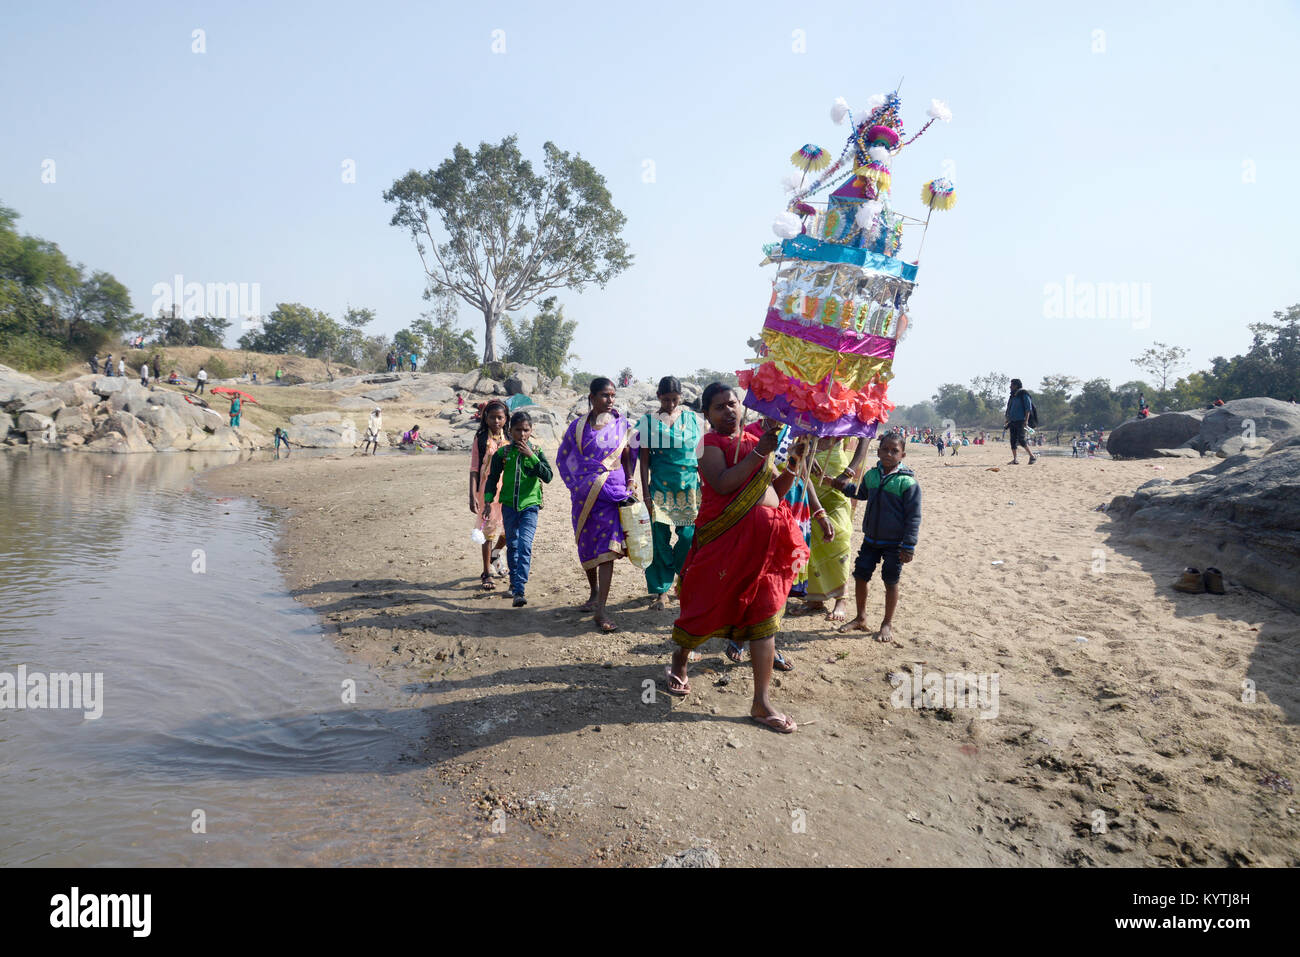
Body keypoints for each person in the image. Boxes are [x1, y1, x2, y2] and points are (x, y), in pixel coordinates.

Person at [664, 384, 810, 734]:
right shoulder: (708, 445)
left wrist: (793, 461)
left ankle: (761, 702)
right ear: (706, 414)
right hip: (723, 543)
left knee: (764, 615)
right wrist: (761, 451)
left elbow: (774, 490)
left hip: (764, 547)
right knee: (702, 606)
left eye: (733, 404)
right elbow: (725, 483)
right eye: (719, 407)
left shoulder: (755, 440)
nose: (728, 411)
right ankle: (680, 662)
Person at [556, 377, 636, 632]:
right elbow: (564, 457)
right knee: (586, 543)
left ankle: (601, 608)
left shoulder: (622, 426)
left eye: (612, 395)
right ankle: (593, 592)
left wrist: (631, 480)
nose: (610, 400)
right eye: (604, 395)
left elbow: (628, 456)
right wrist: (578, 483)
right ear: (591, 397)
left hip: (611, 493)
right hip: (583, 494)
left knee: (608, 549)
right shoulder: (577, 427)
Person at [830, 433, 921, 642]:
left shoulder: (907, 483)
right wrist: (840, 486)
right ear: (878, 451)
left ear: (902, 454)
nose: (889, 454)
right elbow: (862, 494)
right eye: (885, 449)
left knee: (891, 581)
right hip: (871, 539)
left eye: (894, 451)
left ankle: (886, 623)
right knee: (861, 576)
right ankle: (860, 617)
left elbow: (914, 517)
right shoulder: (871, 475)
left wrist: (909, 546)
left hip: (895, 544)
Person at [635, 376, 703, 610]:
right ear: (658, 397)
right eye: (666, 400)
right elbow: (643, 461)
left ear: (681, 397)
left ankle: (681, 575)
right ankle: (661, 591)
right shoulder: (647, 422)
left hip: (689, 489)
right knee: (657, 539)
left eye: (674, 399)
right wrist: (645, 494)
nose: (671, 404)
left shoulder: (693, 420)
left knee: (688, 537)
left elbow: (701, 456)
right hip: (660, 490)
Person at [484, 410, 554, 606]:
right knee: (513, 545)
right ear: (510, 430)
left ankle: (519, 588)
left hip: (530, 506)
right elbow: (492, 478)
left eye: (526, 430)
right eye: (517, 430)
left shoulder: (537, 452)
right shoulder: (503, 453)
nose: (522, 434)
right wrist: (488, 501)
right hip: (508, 506)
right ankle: (515, 587)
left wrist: (531, 456)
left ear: (531, 431)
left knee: (524, 545)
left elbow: (548, 476)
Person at [801, 437, 855, 622]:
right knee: (812, 536)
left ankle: (842, 598)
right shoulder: (803, 409)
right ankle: (815, 598)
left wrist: (850, 471)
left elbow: (865, 439)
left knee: (840, 535)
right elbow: (798, 437)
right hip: (809, 471)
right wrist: (805, 455)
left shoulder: (848, 408)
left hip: (837, 473)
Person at [470, 400, 510, 590]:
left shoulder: (510, 436)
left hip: (508, 489)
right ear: (485, 418)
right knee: (488, 531)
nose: (496, 421)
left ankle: (496, 554)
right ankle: (487, 572)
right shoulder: (480, 439)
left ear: (506, 419)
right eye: (492, 417)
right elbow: (474, 469)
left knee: (509, 531)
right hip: (487, 491)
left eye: (500, 417)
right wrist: (472, 496)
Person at [1005, 378, 1037, 465]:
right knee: (1013, 441)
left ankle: (1032, 456)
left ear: (1016, 386)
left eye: (1011, 385)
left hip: (1021, 421)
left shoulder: (1024, 394)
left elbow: (1028, 409)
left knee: (1021, 440)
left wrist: (1026, 420)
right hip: (1012, 421)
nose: (1010, 387)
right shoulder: (1013, 396)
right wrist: (1007, 419)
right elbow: (1010, 408)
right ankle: (1015, 459)